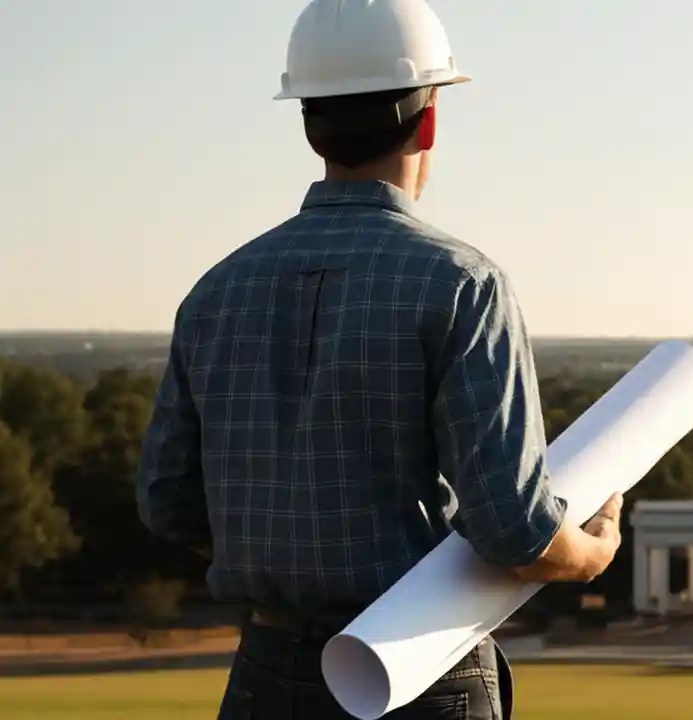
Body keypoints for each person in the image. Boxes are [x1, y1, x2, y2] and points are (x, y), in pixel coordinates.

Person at [134, 1, 624, 717]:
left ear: (310, 126)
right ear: (428, 120)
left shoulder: (216, 291)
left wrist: (285, 533)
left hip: (263, 677)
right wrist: (592, 550)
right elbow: (514, 530)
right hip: (418, 676)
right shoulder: (463, 285)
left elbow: (167, 505)